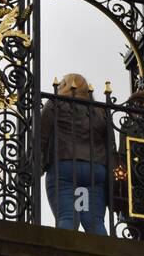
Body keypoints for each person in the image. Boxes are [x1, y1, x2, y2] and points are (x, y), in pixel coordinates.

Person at [41, 74, 116, 235]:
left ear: (63, 86)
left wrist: (33, 169)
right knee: (95, 222)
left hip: (64, 167)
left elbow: (41, 137)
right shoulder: (100, 111)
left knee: (67, 217)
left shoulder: (54, 103)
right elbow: (111, 146)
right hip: (95, 170)